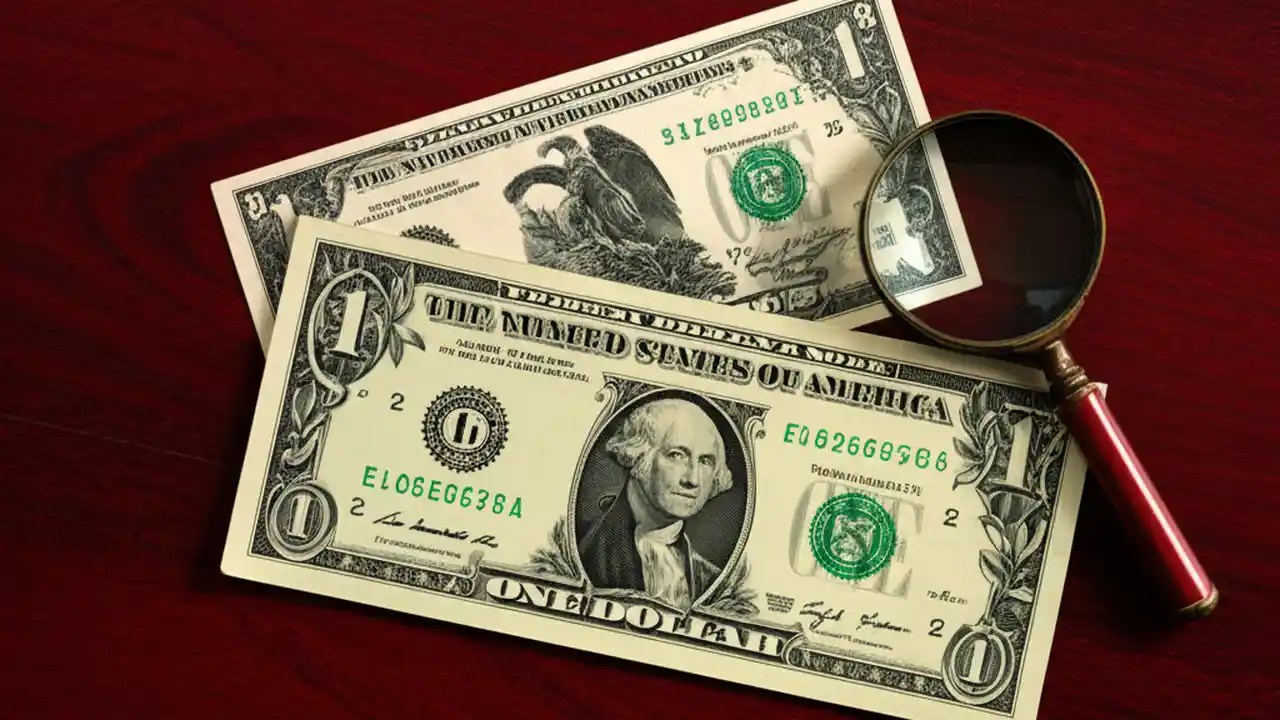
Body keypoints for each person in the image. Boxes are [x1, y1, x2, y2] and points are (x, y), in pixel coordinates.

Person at [578, 397, 735, 609]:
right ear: (639, 456)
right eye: (677, 455)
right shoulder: (582, 547)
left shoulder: (713, 580)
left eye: (705, 461)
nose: (693, 480)